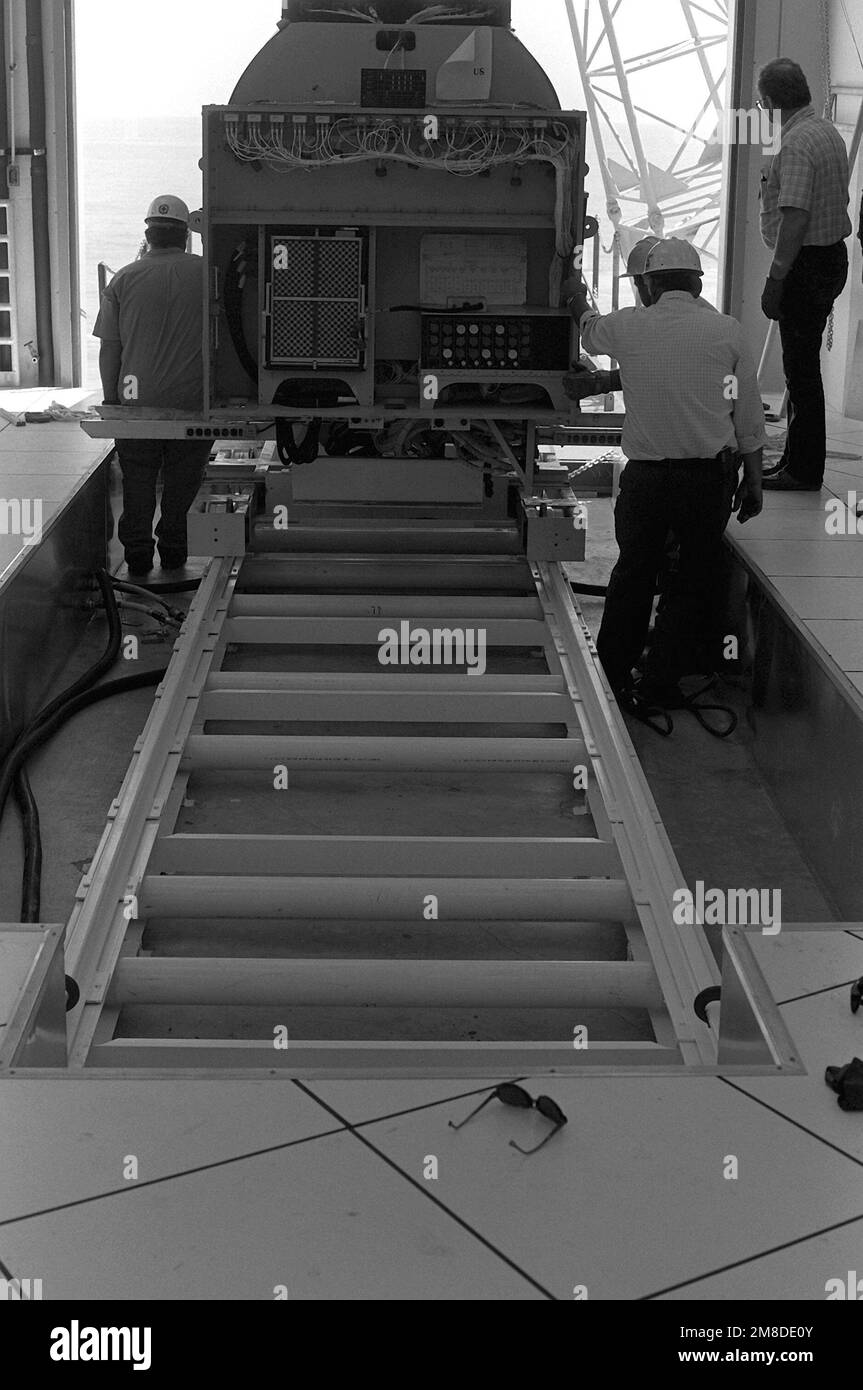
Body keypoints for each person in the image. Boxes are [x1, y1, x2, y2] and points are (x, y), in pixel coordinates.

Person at [565, 239, 766, 714]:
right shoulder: (729, 332)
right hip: (707, 482)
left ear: (650, 284)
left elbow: (589, 330)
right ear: (696, 284)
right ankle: (661, 683)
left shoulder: (630, 327)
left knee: (633, 575)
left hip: (647, 483)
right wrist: (753, 481)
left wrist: (575, 291)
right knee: (691, 581)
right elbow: (749, 417)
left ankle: (612, 681)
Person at [94, 196, 212, 578]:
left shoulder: (123, 278)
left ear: (148, 235)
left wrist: (113, 400)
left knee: (138, 479)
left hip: (136, 400)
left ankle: (139, 557)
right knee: (183, 480)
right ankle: (175, 552)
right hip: (193, 402)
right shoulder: (206, 275)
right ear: (185, 236)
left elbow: (110, 347)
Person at [757, 59, 851, 493]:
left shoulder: (795, 145)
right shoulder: (827, 131)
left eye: (761, 106)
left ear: (773, 102)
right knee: (804, 371)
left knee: (801, 375)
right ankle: (796, 461)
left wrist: (776, 279)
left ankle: (804, 470)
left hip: (805, 267)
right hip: (831, 258)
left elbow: (794, 217)